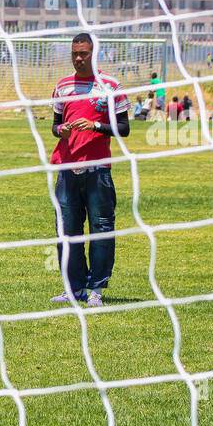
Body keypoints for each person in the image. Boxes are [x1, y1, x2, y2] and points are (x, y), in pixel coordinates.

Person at [47, 32, 128, 309]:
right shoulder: (62, 86)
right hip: (68, 168)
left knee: (101, 228)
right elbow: (55, 126)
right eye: (75, 54)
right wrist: (63, 129)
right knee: (67, 229)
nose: (79, 58)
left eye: (84, 53)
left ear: (95, 54)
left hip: (97, 170)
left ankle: (97, 289)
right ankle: (74, 288)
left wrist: (95, 126)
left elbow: (124, 129)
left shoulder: (110, 85)